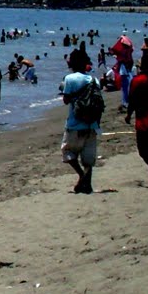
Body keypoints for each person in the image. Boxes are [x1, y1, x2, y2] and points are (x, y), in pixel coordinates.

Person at [60, 48, 102, 194]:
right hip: (92, 124)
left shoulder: (70, 79)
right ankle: (87, 185)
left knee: (68, 152)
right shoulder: (95, 80)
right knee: (88, 159)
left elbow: (66, 100)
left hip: (74, 123)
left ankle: (81, 176)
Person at [125, 46, 148, 187]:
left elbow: (132, 100)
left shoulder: (139, 80)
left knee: (144, 150)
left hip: (144, 118)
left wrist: (128, 114)